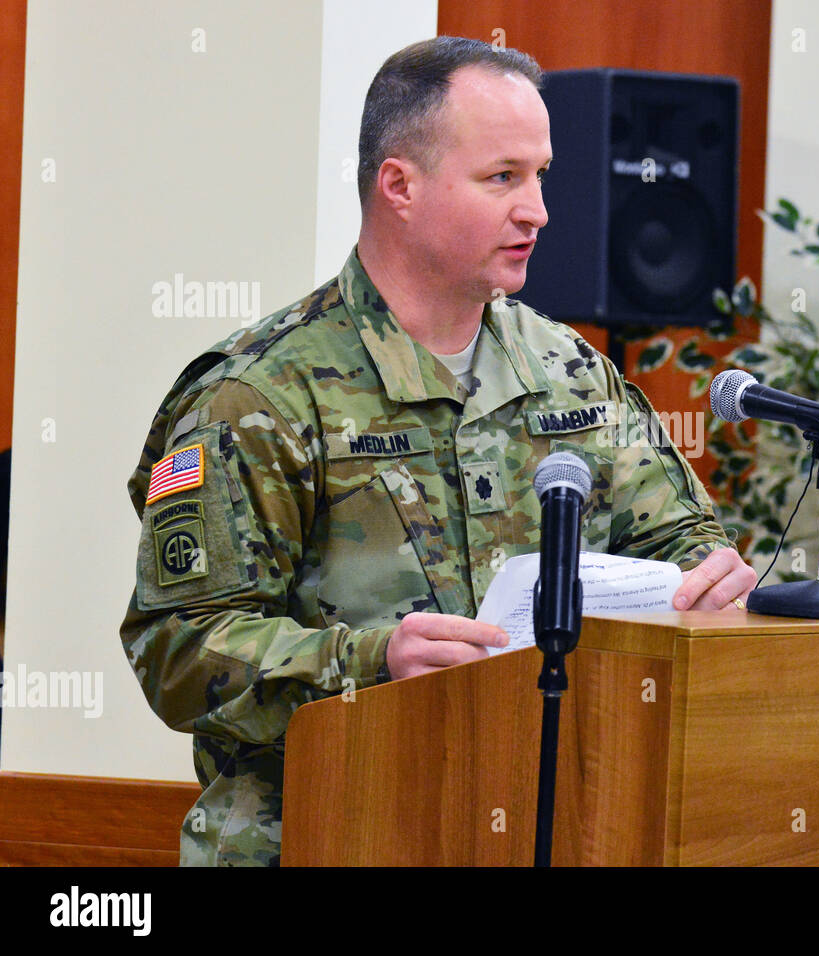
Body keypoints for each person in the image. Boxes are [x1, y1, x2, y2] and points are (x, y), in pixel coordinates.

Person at [119, 35, 756, 866]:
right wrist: (370, 659)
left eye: (541, 175)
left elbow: (677, 541)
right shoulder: (261, 395)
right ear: (400, 187)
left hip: (553, 826)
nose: (539, 210)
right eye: (503, 177)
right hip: (329, 834)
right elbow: (177, 648)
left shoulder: (571, 373)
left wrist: (712, 574)